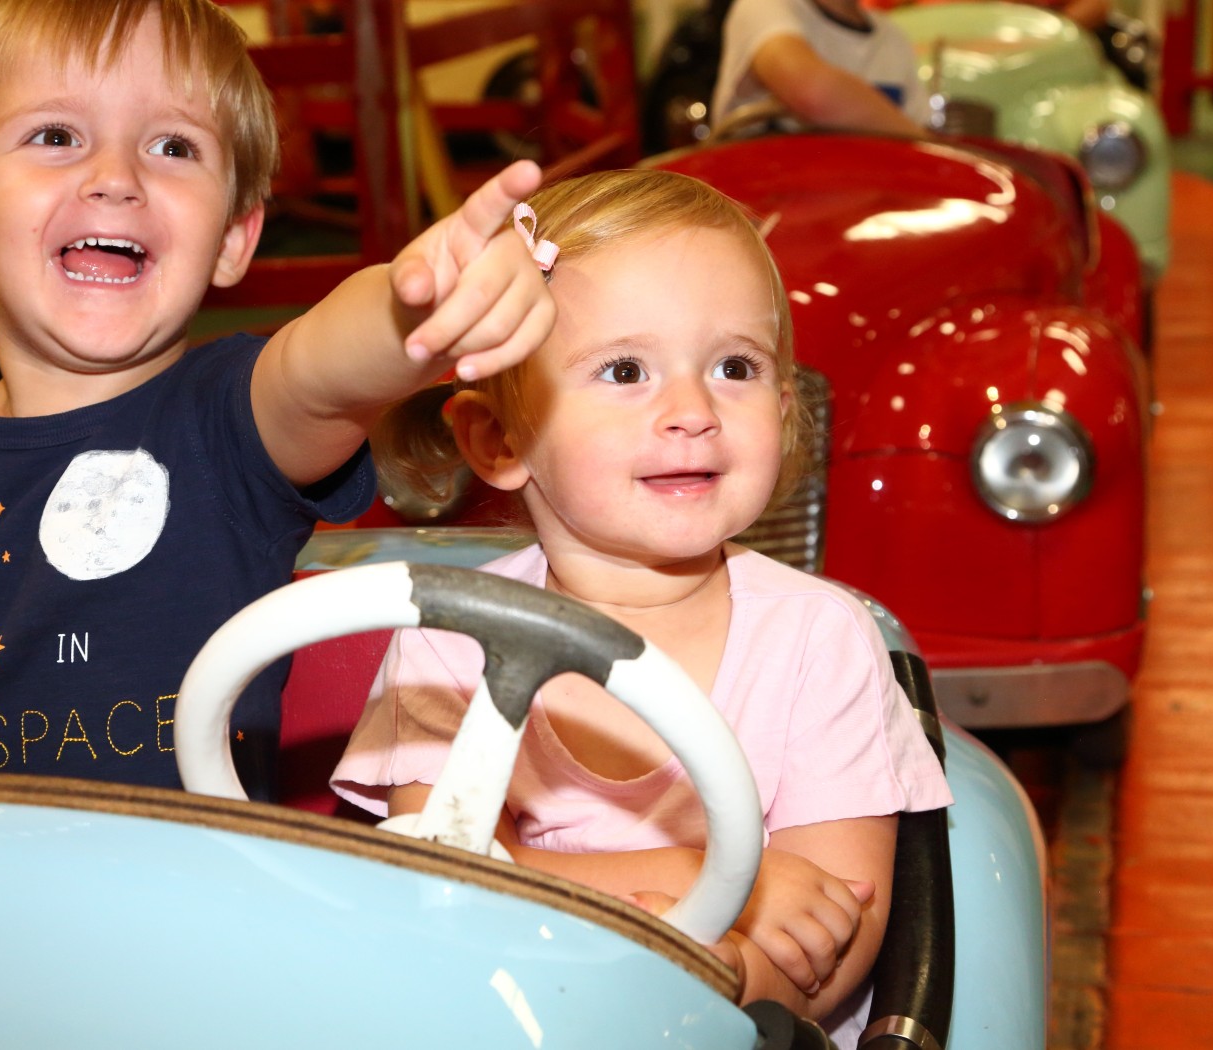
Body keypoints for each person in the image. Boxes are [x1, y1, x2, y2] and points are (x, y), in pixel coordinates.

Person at [0, 0, 554, 793]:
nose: (115, 176)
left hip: (183, 922)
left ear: (233, 237)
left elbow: (326, 365)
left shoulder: (231, 422)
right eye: (55, 135)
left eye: (172, 147)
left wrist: (415, 302)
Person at [331, 169, 952, 1044]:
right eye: (625, 370)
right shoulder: (451, 633)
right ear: (499, 439)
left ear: (783, 406)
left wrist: (720, 975)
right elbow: (438, 887)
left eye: (734, 367)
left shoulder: (821, 638)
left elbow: (836, 935)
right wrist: (696, 879)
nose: (693, 410)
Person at [711, 0, 931, 138]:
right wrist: (920, 141)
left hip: (868, 196)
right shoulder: (765, 6)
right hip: (761, 195)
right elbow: (810, 91)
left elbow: (918, 119)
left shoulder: (892, 36)